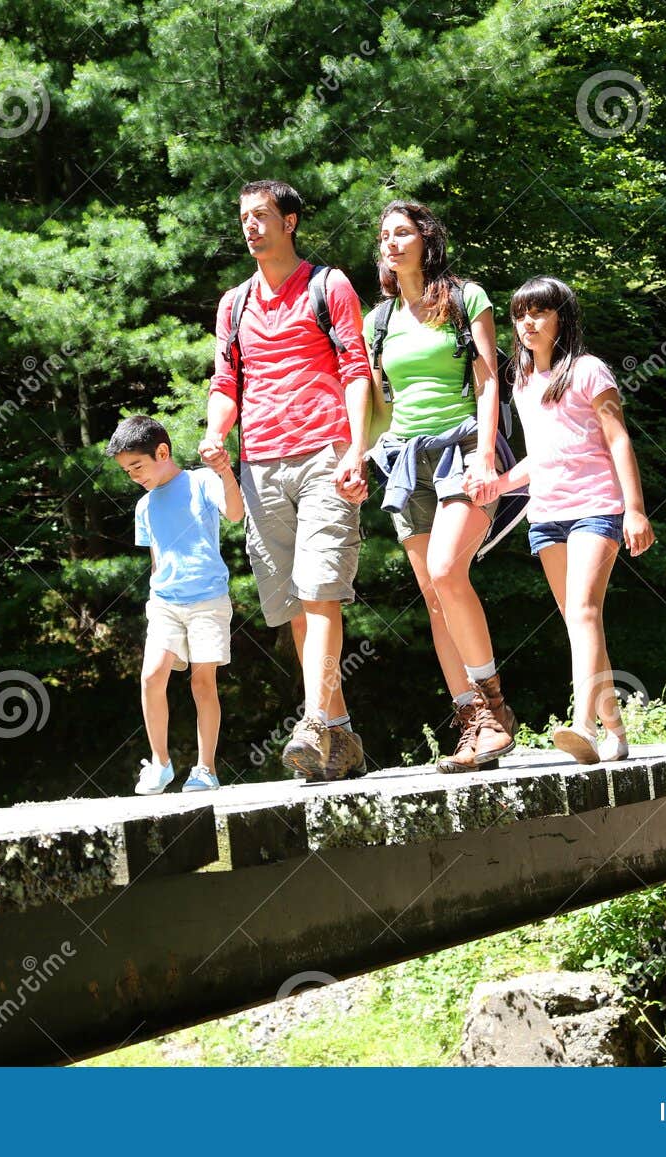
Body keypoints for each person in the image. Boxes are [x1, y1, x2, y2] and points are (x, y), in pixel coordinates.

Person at [200, 179, 372, 782]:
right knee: (294, 605)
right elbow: (226, 384)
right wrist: (215, 434)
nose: (250, 226)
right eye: (243, 216)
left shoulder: (329, 286)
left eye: (262, 216)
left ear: (290, 222)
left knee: (322, 589)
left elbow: (357, 369)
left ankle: (314, 723)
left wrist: (356, 449)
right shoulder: (234, 303)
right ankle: (342, 738)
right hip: (260, 464)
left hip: (325, 453)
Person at [466, 276, 655, 763]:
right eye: (520, 314)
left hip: (596, 508)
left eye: (539, 313)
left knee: (585, 613)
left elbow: (618, 440)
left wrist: (634, 510)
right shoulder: (523, 381)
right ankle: (615, 731)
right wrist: (500, 484)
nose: (527, 323)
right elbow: (541, 457)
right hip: (546, 515)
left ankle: (584, 726)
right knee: (578, 621)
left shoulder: (591, 371)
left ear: (561, 318)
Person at [363, 200, 521, 771]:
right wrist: (359, 458)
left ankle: (494, 708)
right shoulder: (377, 320)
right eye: (385, 236)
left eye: (402, 233)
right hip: (406, 461)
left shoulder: (464, 298)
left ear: (426, 240)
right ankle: (473, 723)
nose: (391, 243)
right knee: (435, 600)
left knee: (449, 572)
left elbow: (487, 380)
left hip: (462, 449)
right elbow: (381, 406)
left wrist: (483, 456)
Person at [108, 415, 244, 792]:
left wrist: (225, 472)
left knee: (203, 683)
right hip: (165, 602)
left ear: (162, 451)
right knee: (151, 676)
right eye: (126, 470)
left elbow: (235, 513)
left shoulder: (201, 481)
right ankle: (160, 764)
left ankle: (205, 769)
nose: (133, 475)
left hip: (207, 600)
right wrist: (156, 593)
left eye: (137, 465)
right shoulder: (144, 506)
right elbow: (157, 558)